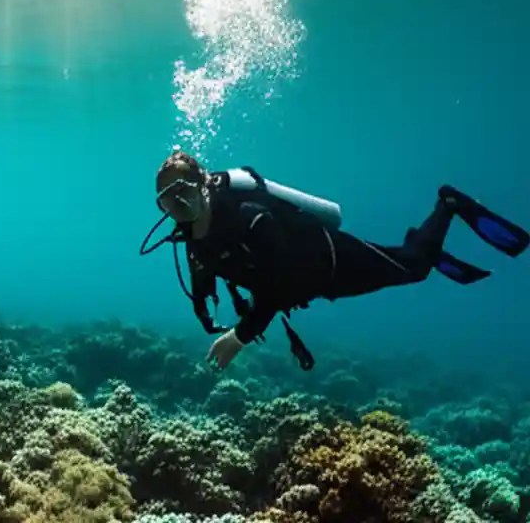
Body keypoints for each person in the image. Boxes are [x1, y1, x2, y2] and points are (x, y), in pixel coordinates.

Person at [140, 150, 529, 372]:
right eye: (166, 200)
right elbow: (203, 278)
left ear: (205, 185)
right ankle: (423, 246)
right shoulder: (191, 238)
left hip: (332, 259)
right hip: (316, 285)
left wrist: (239, 338)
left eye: (183, 191)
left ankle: (448, 205)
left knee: (415, 269)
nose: (177, 205)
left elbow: (278, 282)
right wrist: (207, 314)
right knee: (411, 265)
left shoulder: (250, 217)